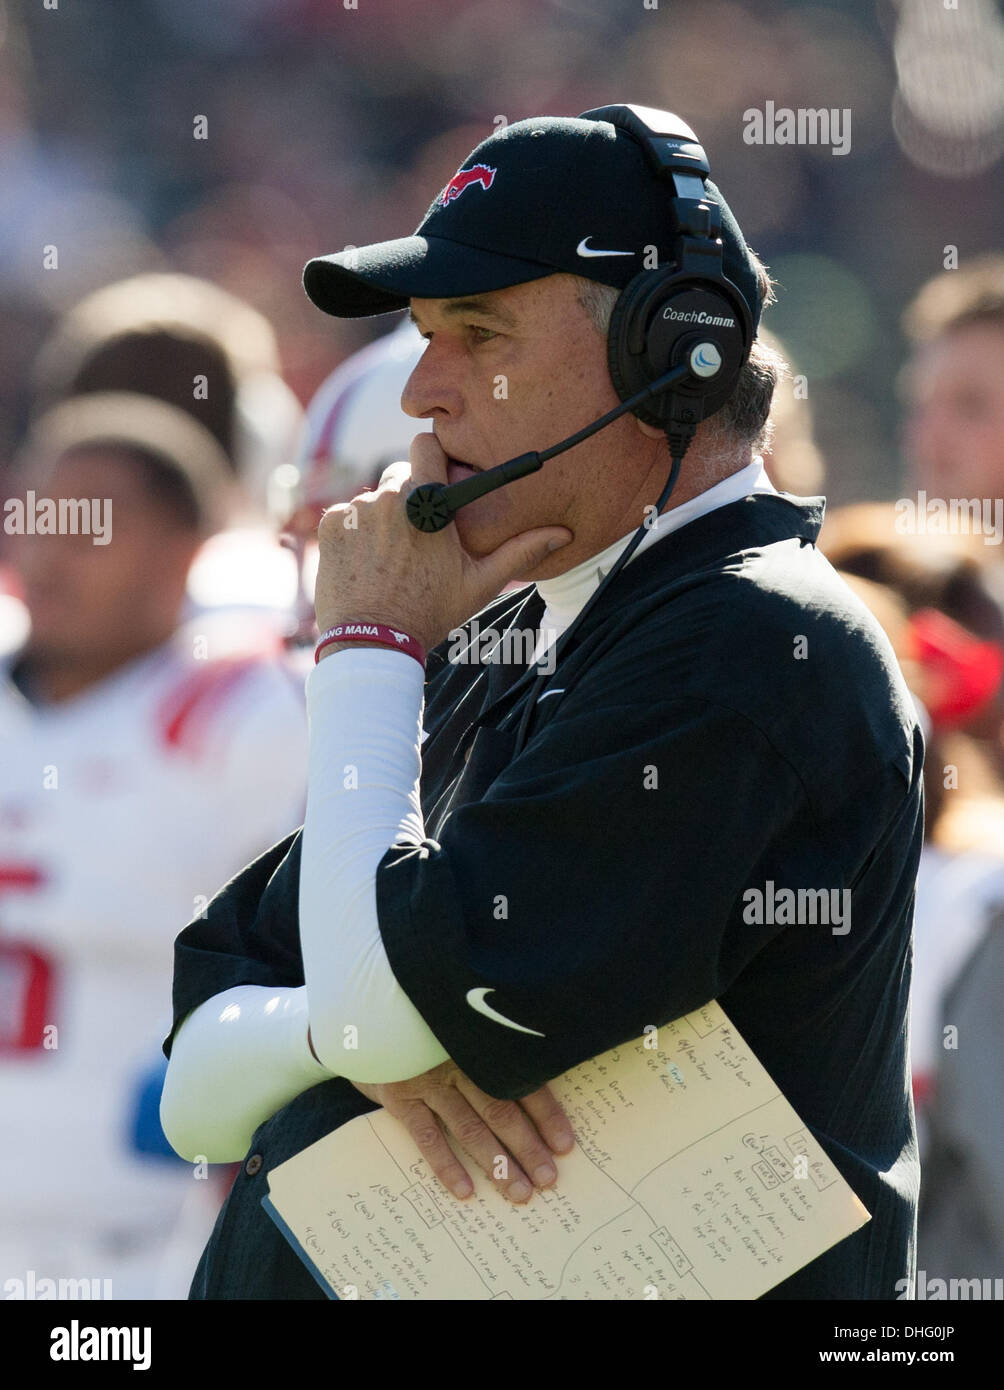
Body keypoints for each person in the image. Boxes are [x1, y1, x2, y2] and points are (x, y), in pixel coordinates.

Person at [161, 107, 924, 1300]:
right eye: (422, 336)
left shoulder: (754, 642)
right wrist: (329, 1033)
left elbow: (377, 1015)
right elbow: (195, 1085)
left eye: (475, 332)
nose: (421, 392)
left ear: (675, 352)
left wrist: (365, 644)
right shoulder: (507, 629)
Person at [0, 392, 308, 1298]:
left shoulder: (246, 714)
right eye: (37, 518)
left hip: (144, 1242)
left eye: (92, 528)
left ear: (184, 548)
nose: (50, 556)